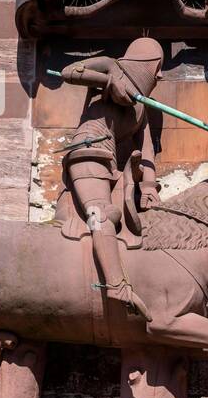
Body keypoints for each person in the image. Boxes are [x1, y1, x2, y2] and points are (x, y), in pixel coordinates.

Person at [56, 37, 164, 321]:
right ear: (146, 62)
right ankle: (116, 286)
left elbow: (148, 146)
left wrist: (149, 186)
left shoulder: (143, 107)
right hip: (89, 152)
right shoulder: (110, 66)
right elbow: (69, 71)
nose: (160, 75)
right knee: (101, 214)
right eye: (158, 66)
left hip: (116, 167)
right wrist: (108, 82)